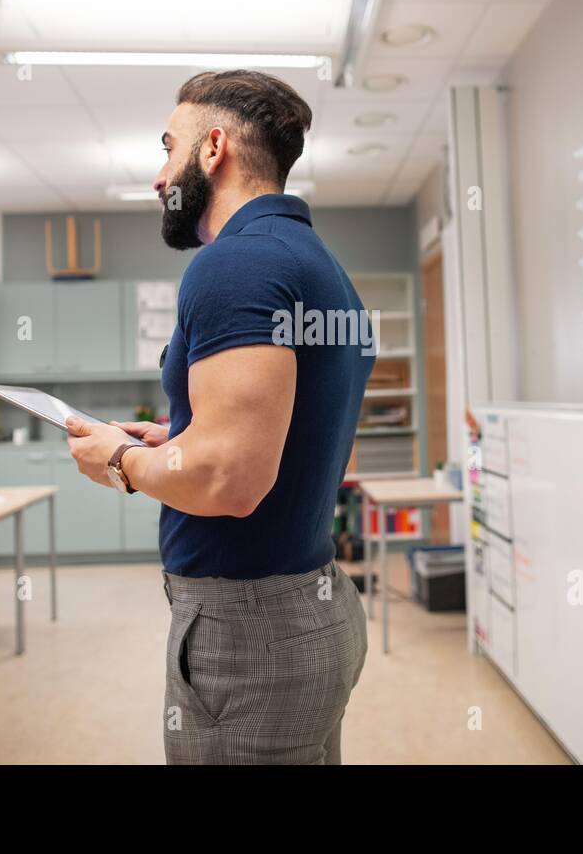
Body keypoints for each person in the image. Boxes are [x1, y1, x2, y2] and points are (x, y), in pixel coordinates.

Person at [66, 69, 372, 764]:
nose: (156, 176)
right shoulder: (315, 263)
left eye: (166, 147)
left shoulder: (236, 264)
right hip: (307, 607)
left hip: (250, 631)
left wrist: (120, 462)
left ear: (211, 150)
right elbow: (290, 437)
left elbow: (230, 481)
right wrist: (178, 441)